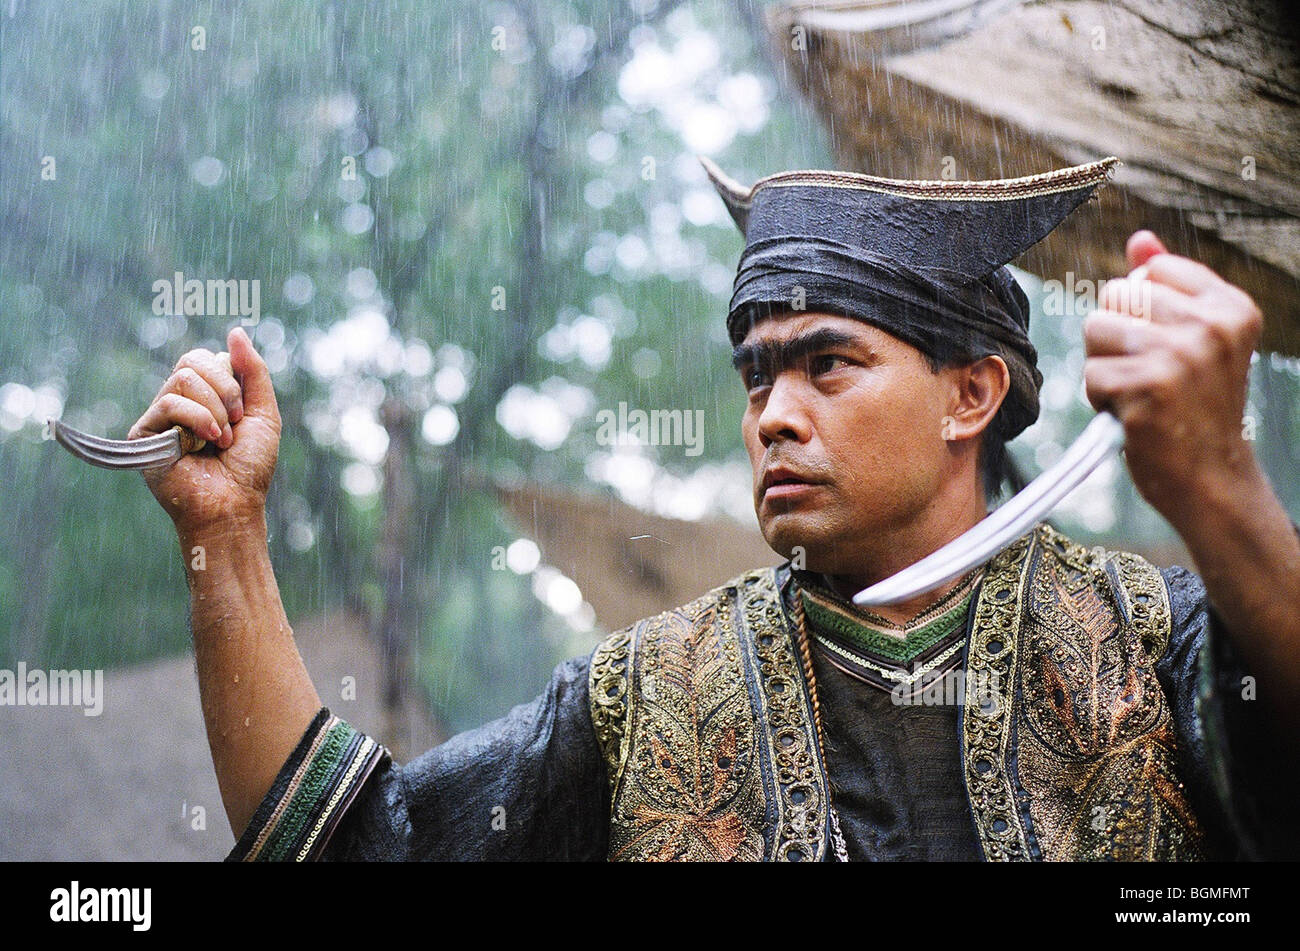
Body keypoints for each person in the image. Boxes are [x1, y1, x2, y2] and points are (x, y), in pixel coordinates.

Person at [128, 157, 1300, 862]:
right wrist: (222, 538)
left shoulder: (1154, 639)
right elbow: (351, 853)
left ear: (971, 393)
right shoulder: (648, 695)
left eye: (826, 365)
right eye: (755, 374)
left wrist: (1218, 483)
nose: (772, 415)